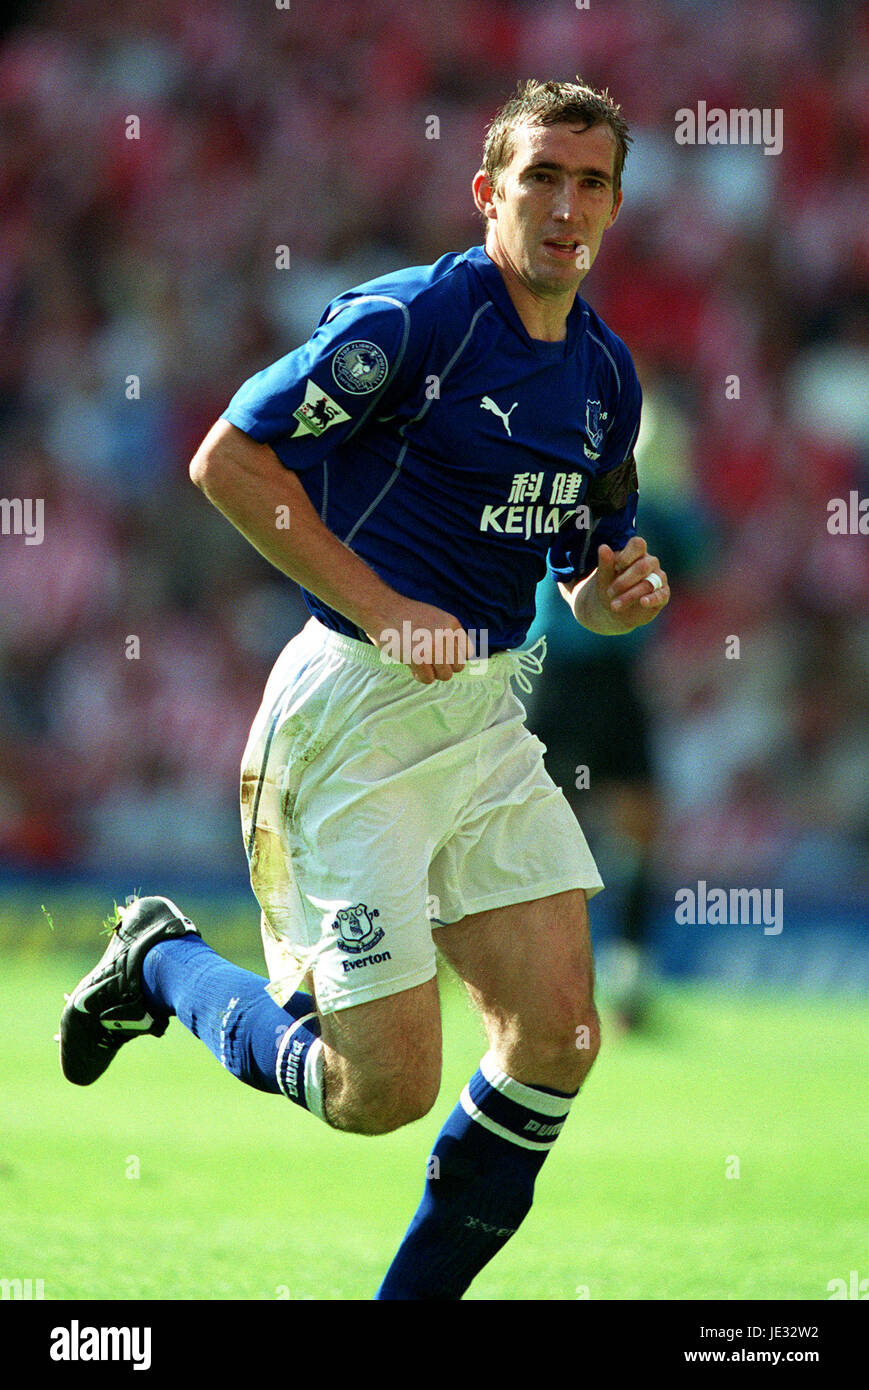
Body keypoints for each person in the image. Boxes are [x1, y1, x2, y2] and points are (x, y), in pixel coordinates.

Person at [59, 78, 670, 1300]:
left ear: (612, 204)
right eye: (539, 177)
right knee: (377, 1094)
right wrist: (387, 609)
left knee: (558, 1040)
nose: (563, 205)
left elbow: (580, 567)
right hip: (352, 710)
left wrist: (608, 601)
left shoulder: (605, 380)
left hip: (491, 711)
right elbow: (230, 458)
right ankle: (159, 962)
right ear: (487, 191)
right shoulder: (413, 323)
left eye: (588, 181)